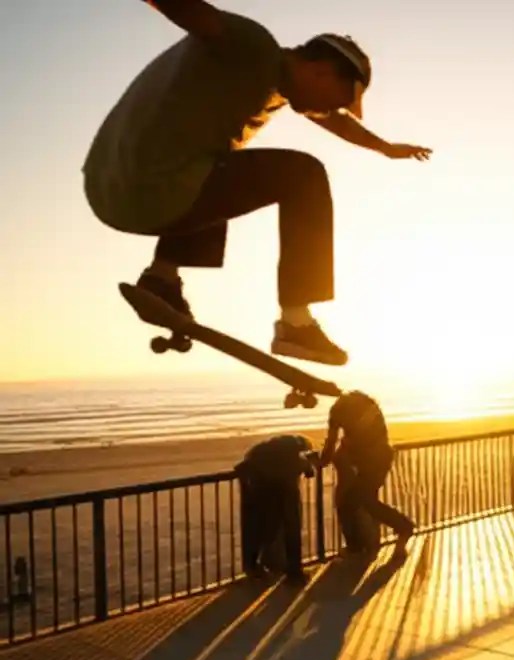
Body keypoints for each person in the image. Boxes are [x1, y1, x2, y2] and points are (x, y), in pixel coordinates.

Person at [82, 0, 432, 365]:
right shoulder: (252, 47)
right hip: (149, 188)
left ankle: (162, 279)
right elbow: (192, 12)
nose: (331, 111)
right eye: (338, 101)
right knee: (303, 175)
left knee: (219, 166)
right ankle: (296, 322)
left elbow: (335, 123)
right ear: (322, 72)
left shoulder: (276, 82)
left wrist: (386, 148)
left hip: (116, 190)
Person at [319, 391, 415, 557]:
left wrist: (321, 462)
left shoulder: (337, 412)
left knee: (356, 502)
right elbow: (371, 436)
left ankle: (404, 527)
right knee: (361, 501)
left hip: (372, 461)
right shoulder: (367, 404)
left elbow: (331, 442)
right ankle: (359, 545)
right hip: (381, 457)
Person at [234, 434, 314, 583]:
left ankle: (254, 568)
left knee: (260, 531)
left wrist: (248, 488)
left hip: (261, 495)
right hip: (287, 496)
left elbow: (242, 468)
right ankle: (294, 573)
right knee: (292, 533)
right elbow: (310, 471)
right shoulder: (294, 458)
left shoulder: (260, 452)